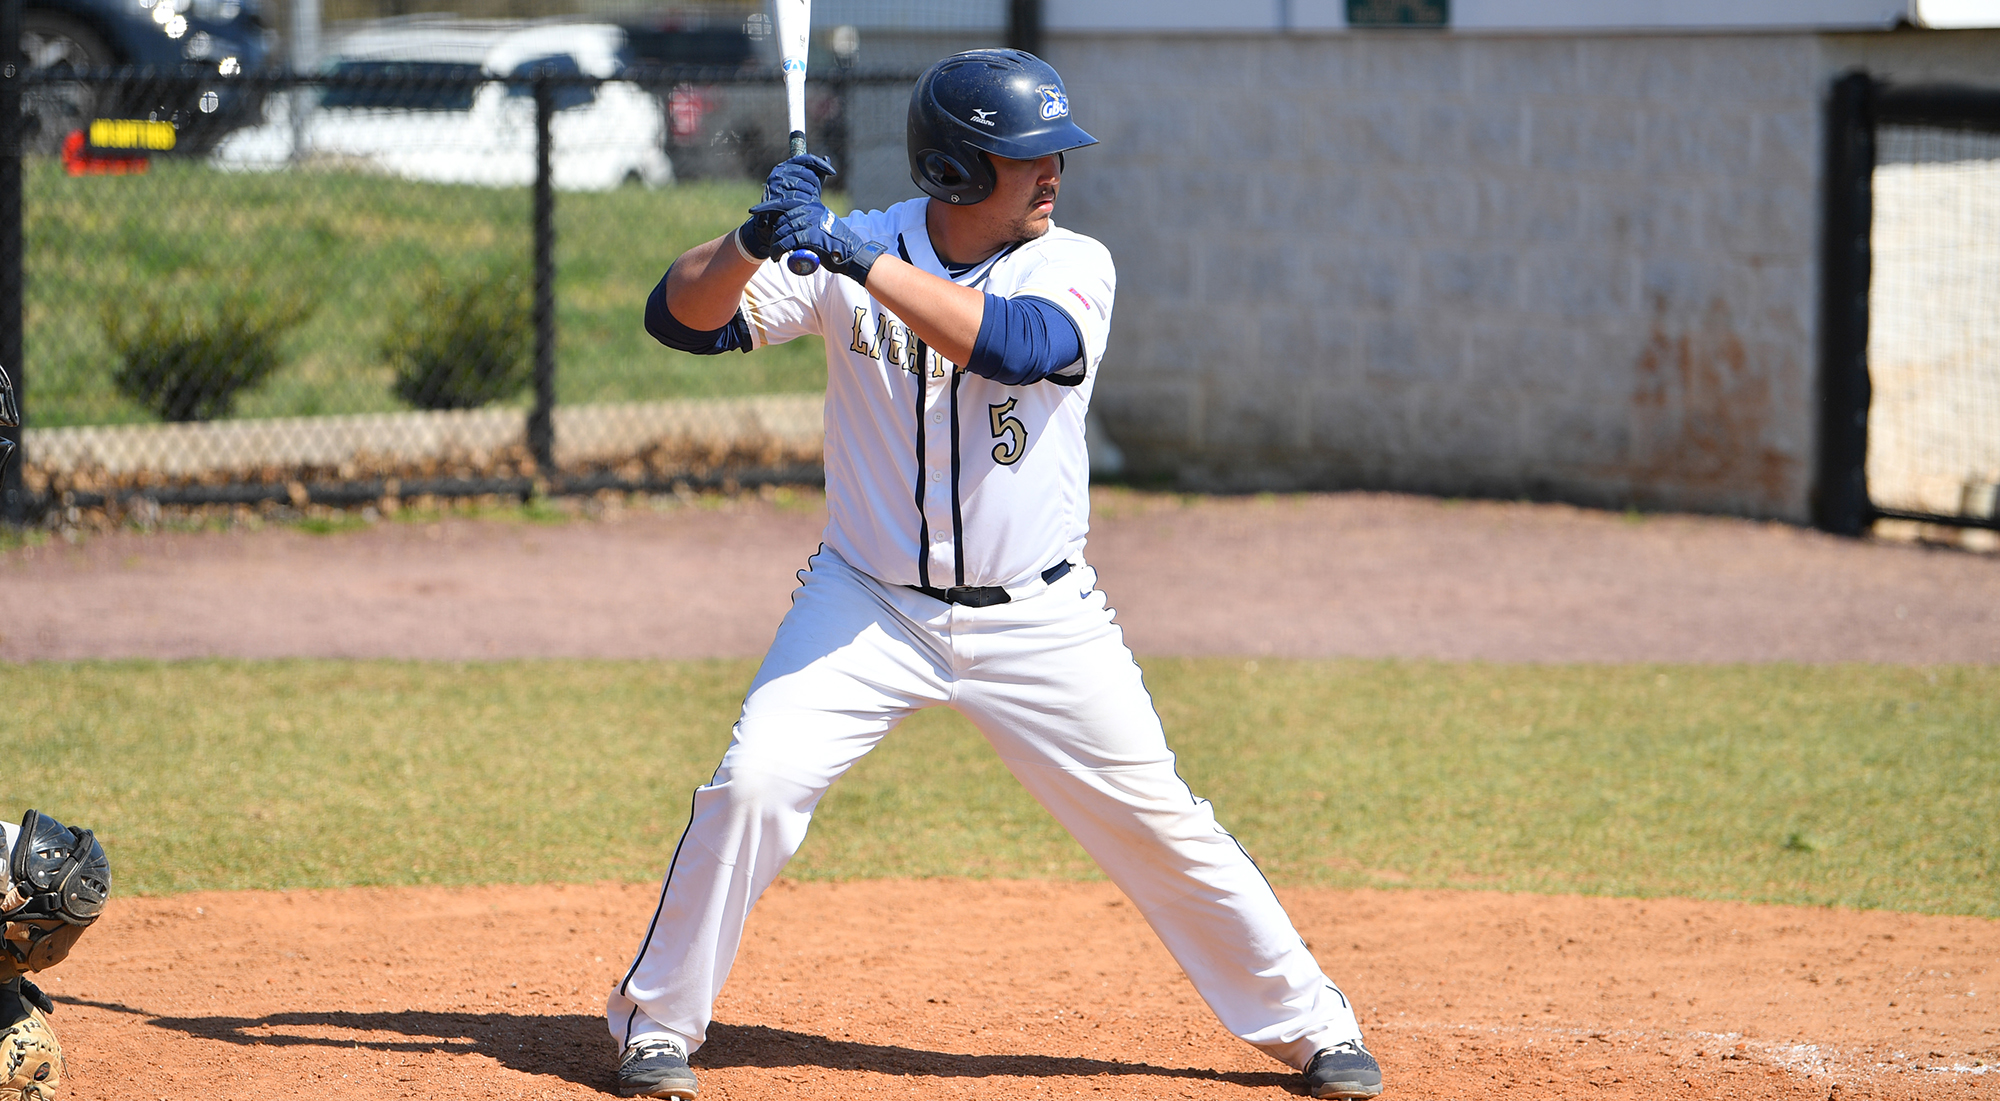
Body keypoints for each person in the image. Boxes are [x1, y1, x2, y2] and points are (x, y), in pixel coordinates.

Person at [607, 50, 1382, 1101]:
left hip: (1040, 616)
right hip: (866, 604)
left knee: (1158, 818)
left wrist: (847, 256)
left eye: (1055, 151)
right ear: (956, 169)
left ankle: (1313, 1024)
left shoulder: (1070, 264)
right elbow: (678, 322)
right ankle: (656, 1024)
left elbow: (1015, 347)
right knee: (753, 785)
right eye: (1027, 155)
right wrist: (752, 241)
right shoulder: (855, 246)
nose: (1053, 170)